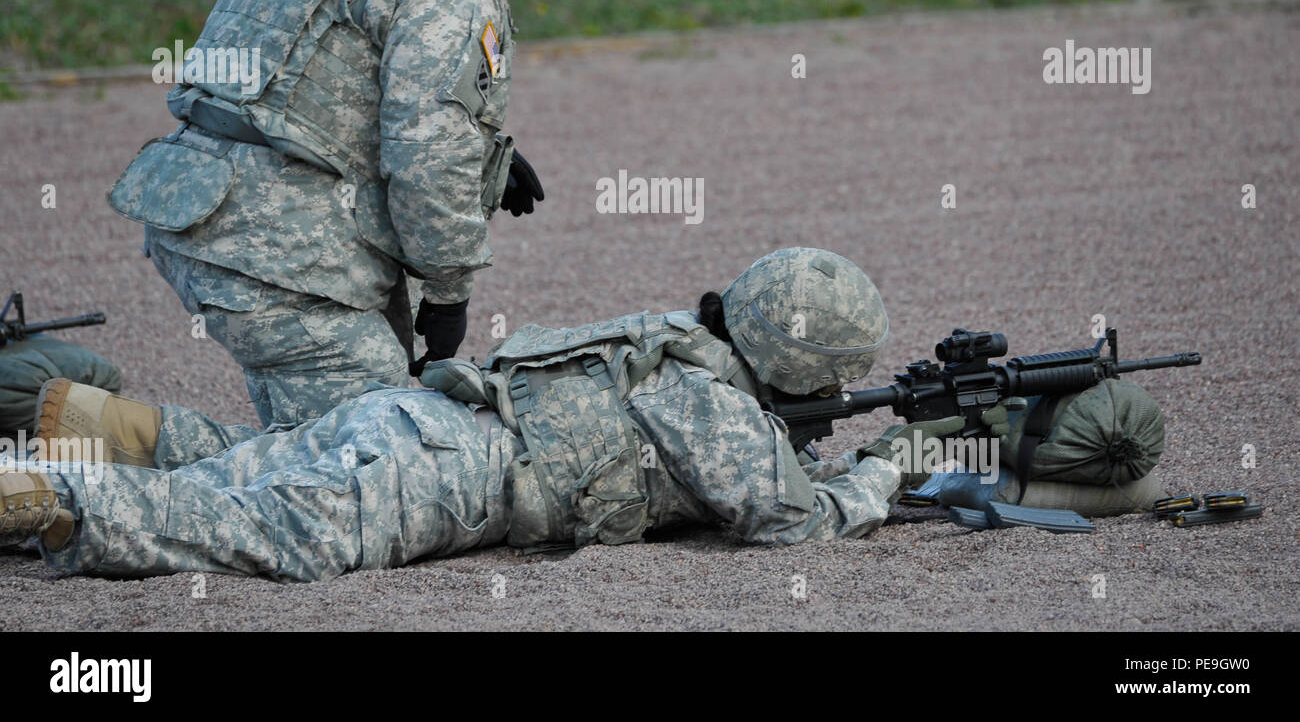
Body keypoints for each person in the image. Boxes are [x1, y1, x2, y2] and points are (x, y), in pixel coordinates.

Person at [99, 0, 598, 472]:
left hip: (211, 205)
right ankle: (84, 464)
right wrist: (449, 294)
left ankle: (88, 433)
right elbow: (428, 159)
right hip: (280, 249)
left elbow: (314, 77)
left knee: (347, 433)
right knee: (383, 470)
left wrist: (482, 149)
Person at [1, 248, 961, 582]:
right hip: (439, 473)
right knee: (278, 531)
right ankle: (53, 495)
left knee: (260, 461)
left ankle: (92, 425)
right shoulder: (720, 409)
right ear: (799, 365)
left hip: (415, 414)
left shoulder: (672, 339)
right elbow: (792, 521)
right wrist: (885, 468)